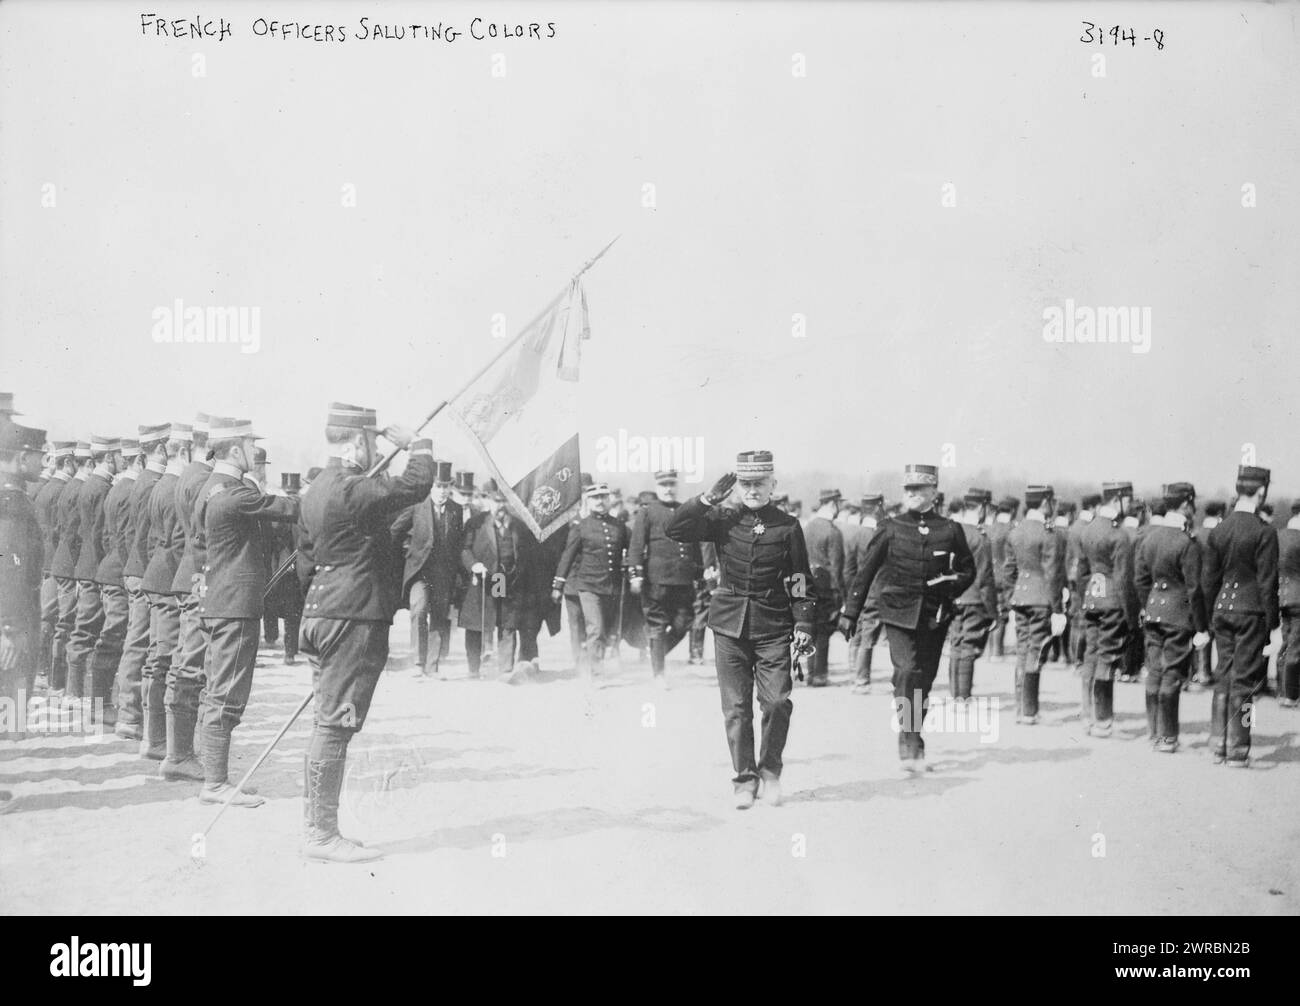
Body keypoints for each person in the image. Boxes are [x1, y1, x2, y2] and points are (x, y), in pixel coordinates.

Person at [296, 402, 433, 862]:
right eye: (373, 442)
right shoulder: (352, 489)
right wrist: (418, 445)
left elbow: (308, 559)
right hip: (350, 617)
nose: (375, 449)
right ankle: (320, 836)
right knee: (335, 726)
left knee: (327, 723)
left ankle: (319, 828)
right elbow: (416, 484)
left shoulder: (317, 488)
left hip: (323, 612)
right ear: (357, 442)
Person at [666, 451, 816, 808]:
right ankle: (744, 779)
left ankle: (770, 772)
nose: (752, 490)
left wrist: (804, 622)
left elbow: (798, 578)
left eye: (759, 483)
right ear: (737, 486)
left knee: (777, 702)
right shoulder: (722, 519)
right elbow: (675, 529)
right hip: (729, 623)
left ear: (772, 485)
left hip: (773, 624)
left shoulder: (787, 526)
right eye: (745, 483)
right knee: (735, 708)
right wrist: (706, 500)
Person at [839, 464, 975, 772]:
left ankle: (911, 733)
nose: (912, 495)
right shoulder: (891, 527)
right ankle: (911, 743)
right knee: (907, 672)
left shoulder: (950, 529)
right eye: (908, 490)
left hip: (934, 617)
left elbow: (968, 569)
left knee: (923, 681)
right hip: (898, 614)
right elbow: (866, 572)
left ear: (933, 493)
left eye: (919, 490)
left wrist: (950, 588)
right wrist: (851, 612)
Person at [193, 419, 299, 806]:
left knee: (215, 689)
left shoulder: (209, 488)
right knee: (227, 694)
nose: (257, 453)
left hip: (219, 601)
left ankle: (215, 778)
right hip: (235, 607)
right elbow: (288, 507)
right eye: (253, 446)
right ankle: (215, 784)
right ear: (236, 450)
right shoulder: (236, 494)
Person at [1201, 465, 1279, 767]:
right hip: (1250, 612)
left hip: (1222, 609)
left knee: (1224, 676)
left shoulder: (1219, 530)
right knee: (1244, 681)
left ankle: (1217, 742)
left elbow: (1209, 580)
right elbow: (1267, 582)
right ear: (1261, 492)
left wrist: (1207, 618)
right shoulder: (1264, 531)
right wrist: (1273, 626)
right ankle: (1238, 747)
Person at [141, 423, 202, 777]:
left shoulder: (161, 485)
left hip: (159, 575)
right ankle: (161, 743)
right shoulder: (176, 486)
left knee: (159, 659)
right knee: (167, 660)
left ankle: (156, 740)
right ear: (182, 452)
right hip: (169, 579)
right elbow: (180, 543)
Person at [1134, 482, 1207, 751]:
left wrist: (1149, 604)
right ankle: (1168, 736)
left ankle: (1153, 732)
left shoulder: (1148, 538)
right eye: (1192, 504)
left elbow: (1140, 579)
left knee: (1154, 671)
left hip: (1153, 612)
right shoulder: (1187, 543)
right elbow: (1195, 588)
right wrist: (1201, 626)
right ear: (1186, 504)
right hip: (1178, 616)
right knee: (1172, 674)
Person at [113, 424, 170, 741]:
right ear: (161, 449)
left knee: (138, 641)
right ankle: (131, 716)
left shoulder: (140, 482)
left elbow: (123, 538)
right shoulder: (152, 484)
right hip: (146, 573)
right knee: (140, 643)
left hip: (137, 570)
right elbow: (150, 539)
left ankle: (130, 714)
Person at [626, 469, 702, 686]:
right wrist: (636, 575)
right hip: (656, 580)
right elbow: (636, 546)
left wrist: (699, 571)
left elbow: (694, 545)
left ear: (677, 486)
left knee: (684, 622)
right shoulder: (648, 512)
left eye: (672, 484)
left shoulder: (686, 511)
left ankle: (656, 651)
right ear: (658, 487)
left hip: (683, 580)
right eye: (664, 485)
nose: (668, 489)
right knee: (657, 625)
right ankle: (659, 674)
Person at [65, 435, 123, 717]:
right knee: (87, 629)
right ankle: (75, 693)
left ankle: (73, 691)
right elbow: (102, 535)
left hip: (86, 566)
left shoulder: (88, 485)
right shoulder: (101, 488)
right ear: (109, 458)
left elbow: (78, 532)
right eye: (120, 455)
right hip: (95, 568)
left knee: (84, 627)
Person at [1077, 481, 1138, 737]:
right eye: (1129, 500)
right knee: (1107, 658)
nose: (1131, 505)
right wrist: (1132, 616)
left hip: (1091, 599)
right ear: (1119, 499)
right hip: (1113, 601)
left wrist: (1086, 597)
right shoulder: (1119, 535)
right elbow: (1124, 579)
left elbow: (1081, 573)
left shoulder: (1087, 530)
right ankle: (1103, 719)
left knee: (1091, 655)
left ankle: (1087, 715)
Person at [391, 461, 462, 678]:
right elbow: (395, 532)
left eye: (445, 487)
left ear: (450, 488)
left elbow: (458, 544)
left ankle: (433, 665)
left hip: (443, 574)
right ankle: (418, 662)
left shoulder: (456, 510)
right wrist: (404, 556)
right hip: (419, 573)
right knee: (419, 609)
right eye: (438, 487)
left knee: (440, 617)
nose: (442, 491)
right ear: (431, 487)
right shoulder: (416, 507)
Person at [553, 483, 628, 685]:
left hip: (612, 587)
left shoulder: (619, 526)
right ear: (588, 501)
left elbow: (631, 550)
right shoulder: (581, 526)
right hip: (588, 586)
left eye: (604, 497)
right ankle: (597, 675)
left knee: (607, 630)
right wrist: (558, 585)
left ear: (609, 499)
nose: (600, 501)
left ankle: (600, 665)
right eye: (595, 498)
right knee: (595, 628)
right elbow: (567, 556)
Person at [1004, 485, 1067, 724]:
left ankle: (1020, 707)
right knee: (1036, 651)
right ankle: (1029, 710)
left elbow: (1009, 570)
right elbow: (1053, 575)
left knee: (1022, 650)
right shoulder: (1048, 534)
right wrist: (1058, 609)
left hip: (1020, 597)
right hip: (1041, 599)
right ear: (1044, 502)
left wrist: (1011, 597)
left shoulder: (1016, 532)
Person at [459, 479, 534, 678]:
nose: (500, 506)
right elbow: (464, 549)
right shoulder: (476, 523)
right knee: (476, 625)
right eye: (496, 500)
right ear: (487, 500)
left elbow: (525, 553)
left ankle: (506, 670)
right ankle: (473, 669)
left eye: (504, 501)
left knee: (505, 621)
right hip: (482, 579)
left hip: (502, 580)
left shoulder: (517, 525)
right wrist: (474, 565)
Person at [0, 421, 46, 742]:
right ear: (21, 458)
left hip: (15, 617)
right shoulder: (11, 505)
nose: (43, 463)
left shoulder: (16, 499)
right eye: (38, 456)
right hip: (13, 624)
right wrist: (8, 630)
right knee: (11, 726)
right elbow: (10, 572)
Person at [946, 488, 997, 702]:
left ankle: (955, 694)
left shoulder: (950, 532)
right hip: (974, 598)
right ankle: (963, 696)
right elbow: (985, 578)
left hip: (952, 597)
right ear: (982, 507)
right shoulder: (980, 537)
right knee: (968, 647)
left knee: (955, 644)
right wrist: (993, 612)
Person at [34, 441, 74, 689]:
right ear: (68, 462)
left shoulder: (44, 488)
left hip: (45, 560)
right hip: (58, 561)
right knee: (58, 620)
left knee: (46, 617)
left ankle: (41, 671)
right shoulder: (62, 491)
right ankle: (52, 677)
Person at [801, 489, 845, 686]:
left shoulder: (807, 527)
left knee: (810, 629)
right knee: (823, 631)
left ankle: (811, 672)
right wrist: (840, 595)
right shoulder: (832, 531)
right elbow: (836, 567)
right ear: (832, 504)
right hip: (826, 587)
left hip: (806, 585)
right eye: (839, 503)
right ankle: (820, 674)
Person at [847, 493, 886, 694]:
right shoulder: (880, 534)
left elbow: (849, 569)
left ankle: (854, 672)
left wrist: (851, 593)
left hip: (858, 591)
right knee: (869, 636)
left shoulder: (856, 534)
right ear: (879, 507)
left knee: (859, 631)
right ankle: (861, 679)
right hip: (876, 590)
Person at [1277, 501, 1300, 708]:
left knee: (1286, 642)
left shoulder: (1279, 536)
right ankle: (1291, 694)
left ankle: (1281, 689)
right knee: (1296, 645)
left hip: (1282, 596)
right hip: (1299, 599)